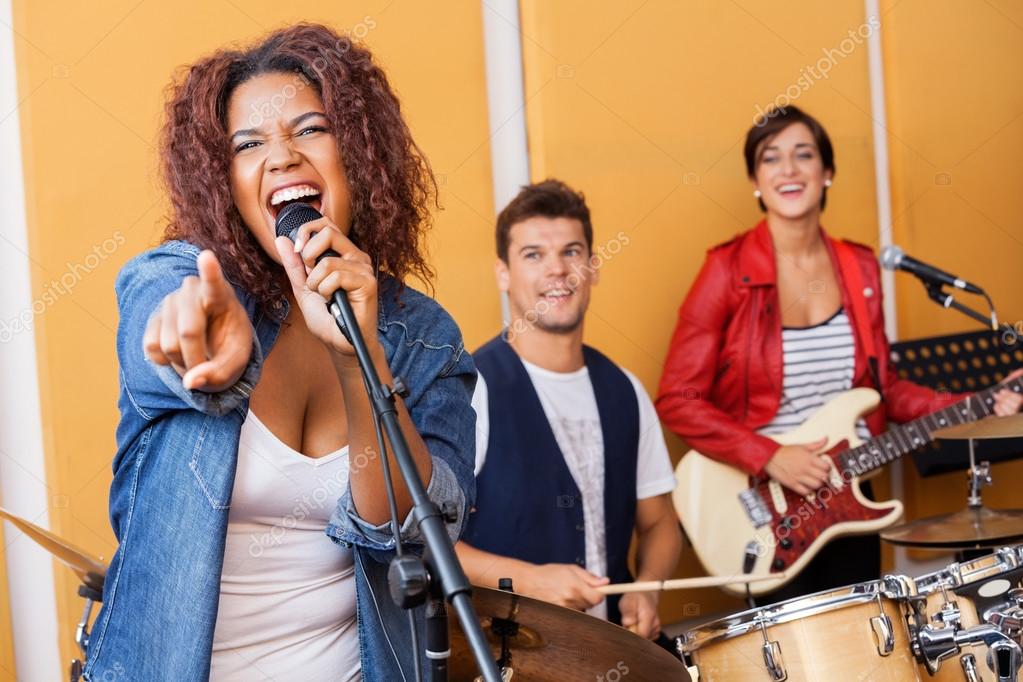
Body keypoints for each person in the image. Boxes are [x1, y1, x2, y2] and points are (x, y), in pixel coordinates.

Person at [84, 24, 476, 682]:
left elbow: (414, 532)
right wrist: (207, 341)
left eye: (310, 129)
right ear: (224, 181)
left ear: (358, 154)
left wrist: (359, 359)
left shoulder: (423, 335)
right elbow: (155, 318)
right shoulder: (185, 279)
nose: (282, 156)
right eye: (248, 144)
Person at [655, 105, 1023, 603]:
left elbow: (885, 391)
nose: (788, 169)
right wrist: (770, 457)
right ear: (755, 181)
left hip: (851, 498)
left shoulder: (860, 268)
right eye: (771, 158)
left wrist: (982, 401)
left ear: (826, 173)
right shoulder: (726, 270)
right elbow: (679, 398)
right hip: (767, 514)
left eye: (803, 155)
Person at [454, 180, 682, 643]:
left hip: (617, 654)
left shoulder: (625, 389)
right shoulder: (470, 390)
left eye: (572, 252)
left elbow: (659, 522)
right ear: (503, 273)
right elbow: (426, 543)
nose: (557, 270)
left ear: (592, 268)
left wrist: (648, 587)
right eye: (533, 255)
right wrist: (527, 580)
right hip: (509, 657)